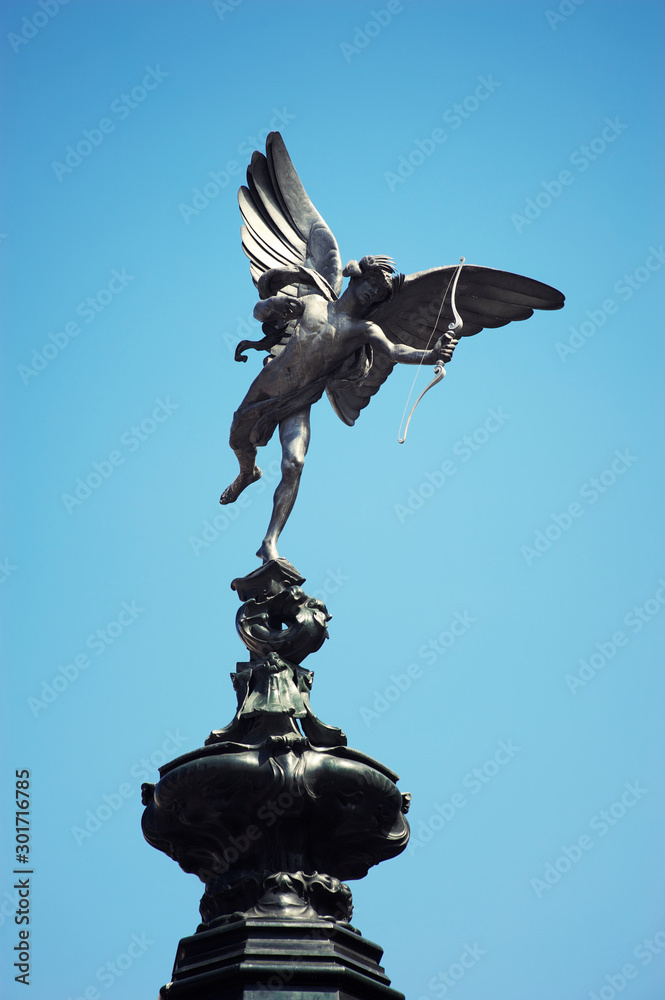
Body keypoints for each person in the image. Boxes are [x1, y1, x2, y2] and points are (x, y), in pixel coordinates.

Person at [220, 256, 448, 563]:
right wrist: (272, 305)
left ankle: (269, 541)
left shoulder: (363, 329)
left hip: (298, 401)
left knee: (294, 464)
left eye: (380, 292)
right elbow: (260, 311)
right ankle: (247, 473)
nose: (374, 292)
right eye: (372, 283)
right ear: (357, 276)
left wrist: (431, 353)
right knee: (238, 440)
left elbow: (394, 350)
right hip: (267, 386)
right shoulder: (313, 303)